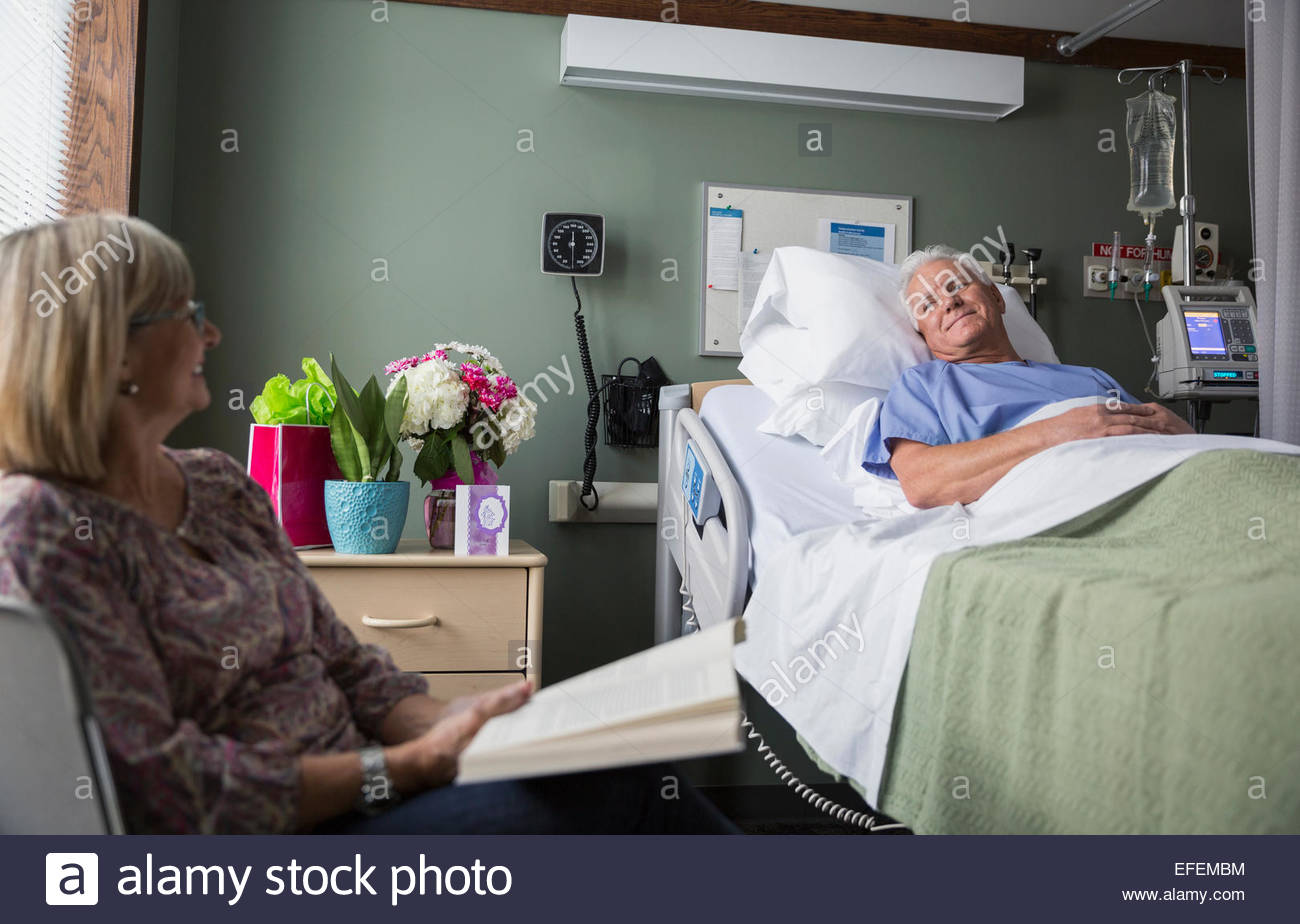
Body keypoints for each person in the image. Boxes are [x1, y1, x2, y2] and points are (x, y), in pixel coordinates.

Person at [0, 213, 736, 834]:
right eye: (190, 315)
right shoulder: (44, 529)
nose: (213, 332)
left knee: (614, 765)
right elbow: (166, 785)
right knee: (608, 801)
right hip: (285, 831)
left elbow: (347, 664)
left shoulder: (218, 484)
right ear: (115, 349)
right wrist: (402, 770)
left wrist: (459, 722)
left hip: (369, 784)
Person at [863, 245, 1194, 509]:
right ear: (923, 336)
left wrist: (1182, 432)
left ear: (995, 297)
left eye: (957, 285)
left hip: (1162, 487)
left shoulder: (1091, 379)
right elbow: (925, 483)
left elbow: (1176, 442)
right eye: (928, 305)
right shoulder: (922, 387)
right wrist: (1061, 431)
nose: (949, 301)